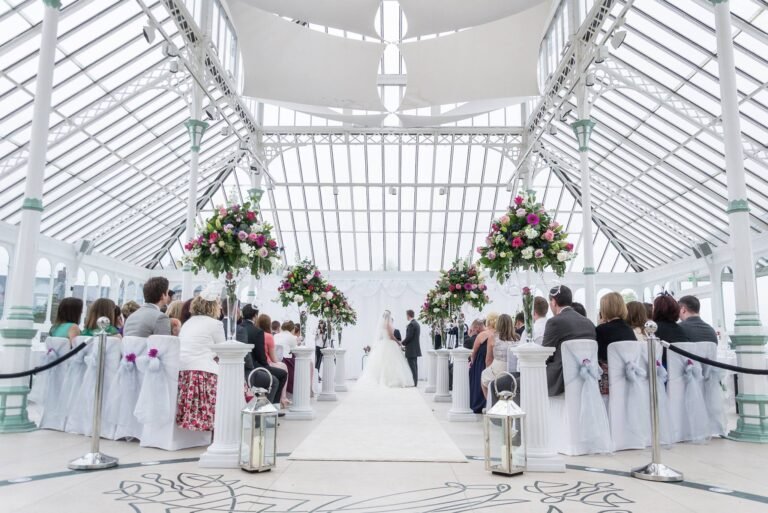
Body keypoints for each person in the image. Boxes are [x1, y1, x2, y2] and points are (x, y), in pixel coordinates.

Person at [176, 290, 225, 431]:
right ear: (213, 307)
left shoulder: (187, 323)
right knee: (235, 378)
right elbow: (223, 351)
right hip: (202, 372)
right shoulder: (215, 324)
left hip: (183, 371)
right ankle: (226, 421)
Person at [542, 285, 597, 396]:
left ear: (553, 302)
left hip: (558, 380)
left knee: (512, 383)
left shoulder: (554, 322)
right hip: (586, 377)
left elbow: (544, 356)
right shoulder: (589, 323)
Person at [241, 304, 287, 408]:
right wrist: (267, 366)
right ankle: (272, 407)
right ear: (255, 316)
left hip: (243, 366)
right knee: (282, 374)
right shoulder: (257, 332)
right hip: (255, 367)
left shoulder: (239, 327)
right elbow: (261, 356)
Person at [358, 310, 414, 388]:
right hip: (389, 343)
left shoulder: (381, 325)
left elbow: (381, 336)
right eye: (390, 316)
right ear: (388, 316)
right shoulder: (388, 324)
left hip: (382, 344)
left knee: (382, 362)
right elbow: (391, 336)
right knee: (393, 363)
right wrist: (398, 342)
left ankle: (379, 379)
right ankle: (390, 380)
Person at [595, 292, 635, 395]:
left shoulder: (601, 330)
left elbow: (598, 356)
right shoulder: (629, 329)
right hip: (628, 378)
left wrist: (598, 326)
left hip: (608, 381)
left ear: (604, 309)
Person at [481, 313, 519, 398]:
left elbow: (488, 359)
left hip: (499, 369)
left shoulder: (493, 337)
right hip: (514, 369)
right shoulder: (517, 338)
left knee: (483, 376)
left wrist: (488, 369)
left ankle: (490, 403)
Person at [259, 313, 290, 408]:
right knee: (283, 368)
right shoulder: (268, 336)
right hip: (267, 363)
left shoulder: (257, 334)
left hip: (258, 364)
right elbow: (274, 359)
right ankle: (282, 398)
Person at [470, 313, 496, 413]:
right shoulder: (498, 333)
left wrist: (472, 363)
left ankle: (479, 403)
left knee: (479, 380)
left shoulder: (483, 335)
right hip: (494, 361)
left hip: (481, 362)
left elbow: (474, 351)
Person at [401, 310, 422, 386]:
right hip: (415, 349)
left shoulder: (411, 325)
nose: (406, 317)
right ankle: (415, 382)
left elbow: (409, 337)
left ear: (408, 315)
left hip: (411, 349)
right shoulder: (417, 324)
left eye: (406, 315)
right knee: (415, 366)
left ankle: (414, 383)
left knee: (412, 367)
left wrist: (402, 343)